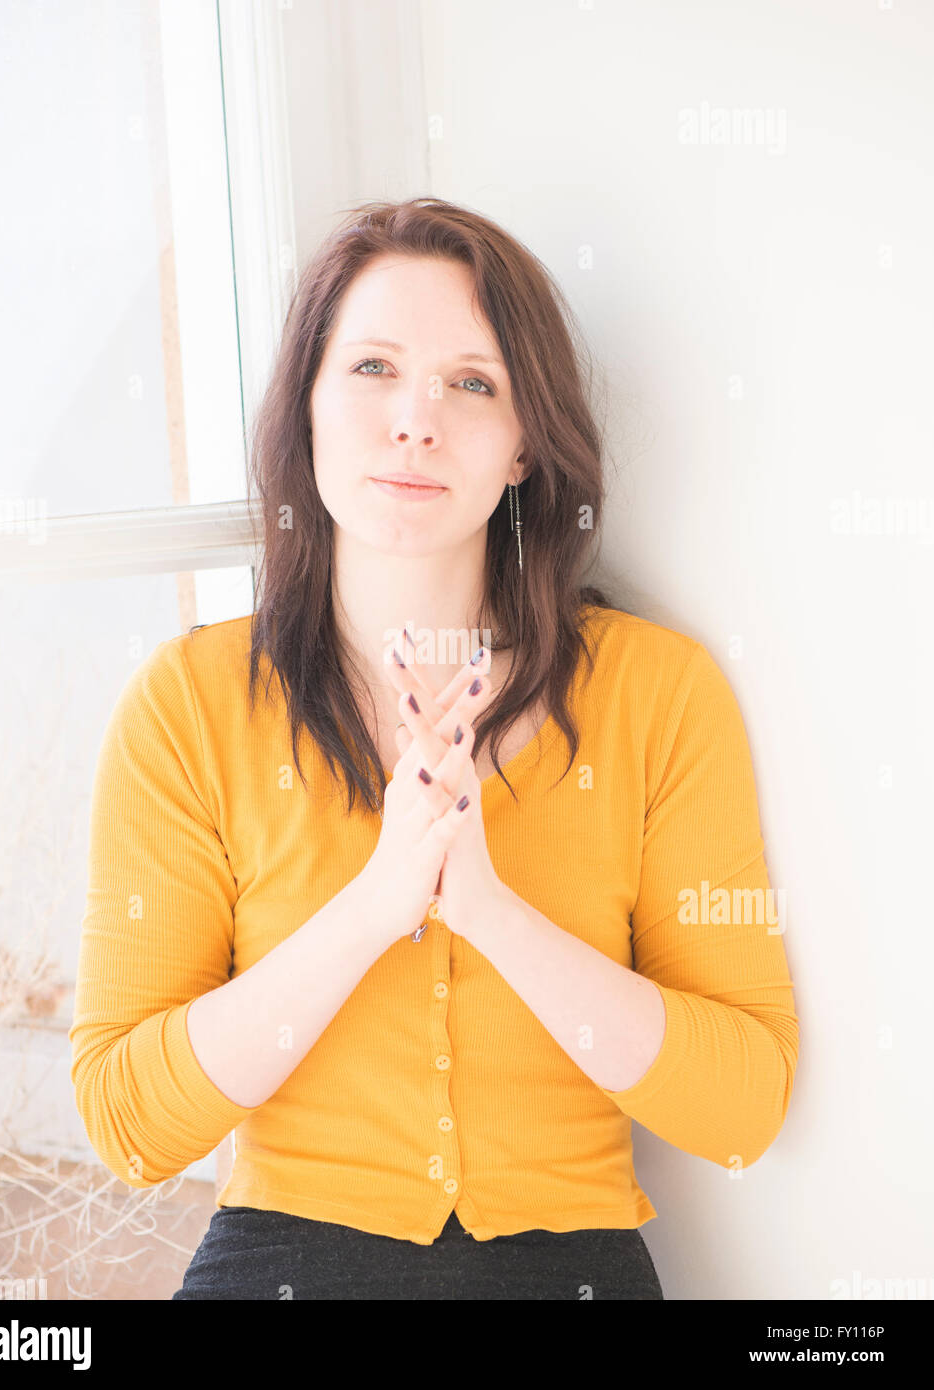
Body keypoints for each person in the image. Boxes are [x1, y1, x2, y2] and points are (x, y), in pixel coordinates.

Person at [69, 197, 799, 1300]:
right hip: (281, 1254)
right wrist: (375, 903)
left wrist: (490, 910)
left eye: (472, 382)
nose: (417, 420)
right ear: (304, 408)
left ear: (521, 449)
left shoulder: (657, 692)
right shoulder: (191, 704)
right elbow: (129, 1125)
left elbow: (742, 1106)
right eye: (370, 368)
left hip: (571, 1266)